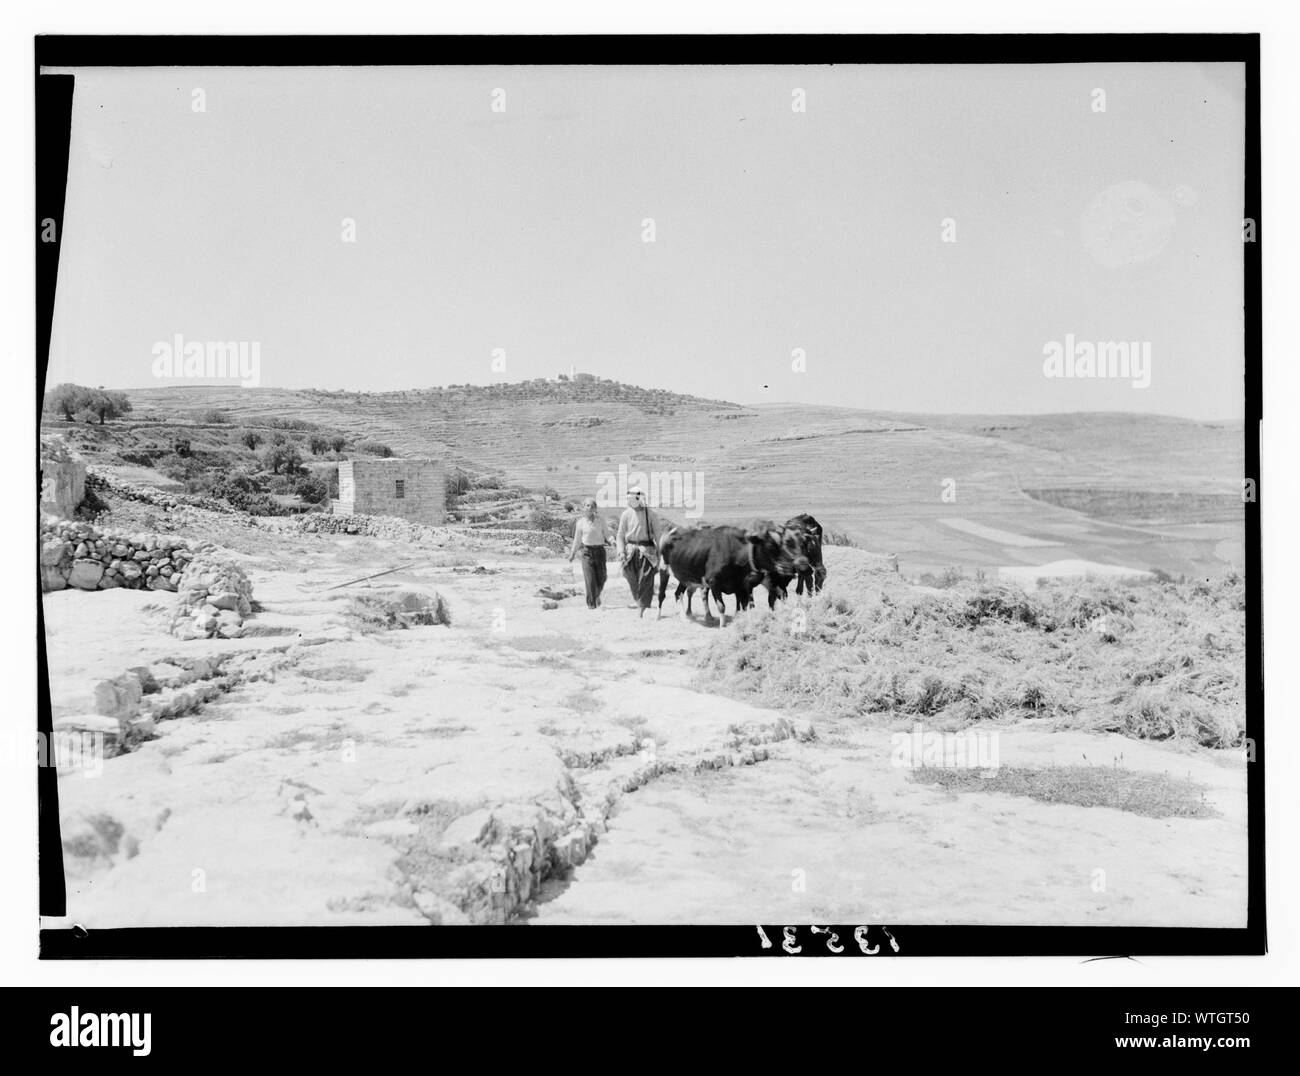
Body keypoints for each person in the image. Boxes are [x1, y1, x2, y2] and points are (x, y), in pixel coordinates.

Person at [615, 486, 667, 615]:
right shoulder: (626, 514)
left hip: (647, 551)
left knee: (646, 578)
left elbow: (658, 536)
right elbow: (620, 535)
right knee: (629, 575)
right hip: (630, 551)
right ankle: (638, 601)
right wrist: (621, 551)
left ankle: (642, 608)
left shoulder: (652, 514)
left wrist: (662, 555)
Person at [568, 497, 611, 610]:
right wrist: (572, 553)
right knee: (590, 579)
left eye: (592, 506)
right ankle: (591, 604)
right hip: (587, 552)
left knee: (602, 577)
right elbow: (577, 540)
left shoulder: (600, 520)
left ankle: (596, 596)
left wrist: (612, 540)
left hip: (600, 551)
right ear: (584, 508)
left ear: (595, 508)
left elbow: (607, 534)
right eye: (587, 505)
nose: (590, 508)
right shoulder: (580, 523)